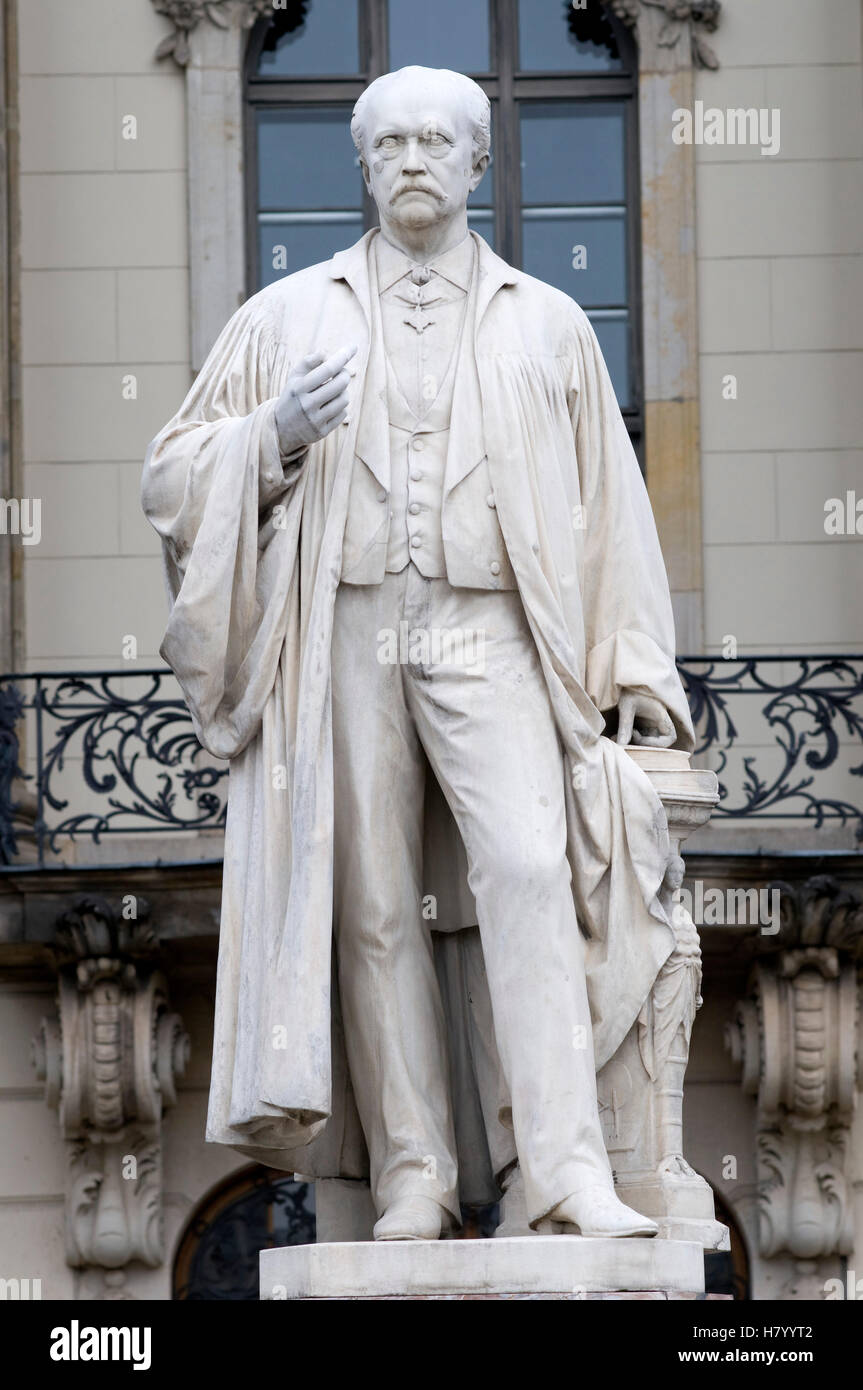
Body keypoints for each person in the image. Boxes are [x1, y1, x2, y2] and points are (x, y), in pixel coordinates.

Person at [142, 66, 695, 1242]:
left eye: (434, 141)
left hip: (487, 623)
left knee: (528, 873)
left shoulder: (547, 320)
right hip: (343, 621)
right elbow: (169, 476)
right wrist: (274, 435)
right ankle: (413, 1172)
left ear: (477, 163)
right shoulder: (285, 318)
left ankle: (559, 1166)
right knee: (374, 900)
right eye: (387, 141)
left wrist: (639, 668)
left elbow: (611, 509)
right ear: (360, 161)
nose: (409, 159)